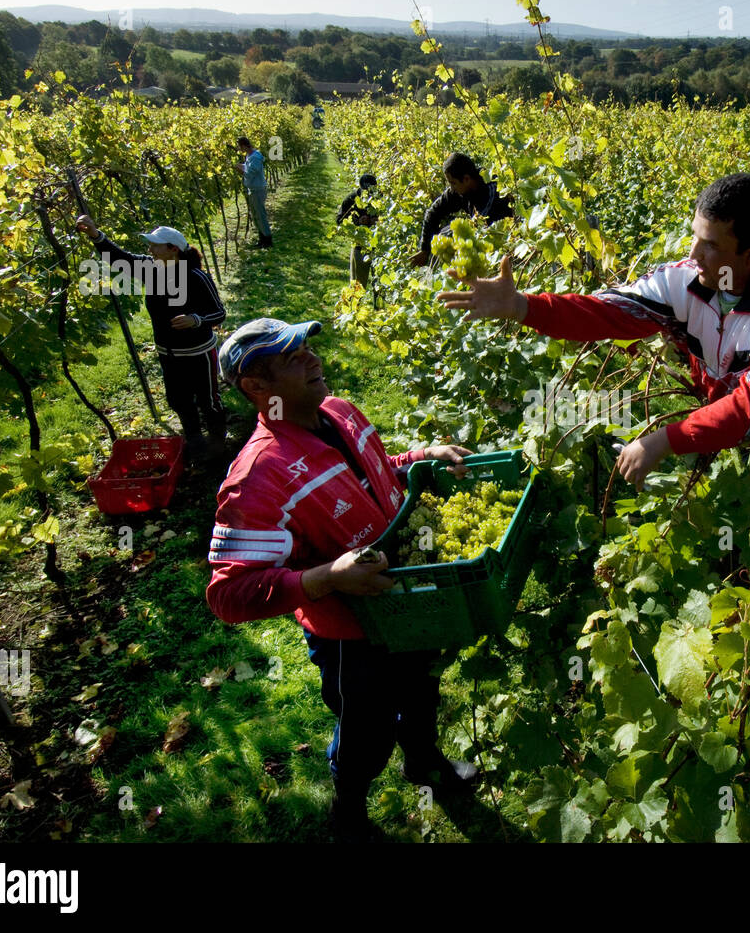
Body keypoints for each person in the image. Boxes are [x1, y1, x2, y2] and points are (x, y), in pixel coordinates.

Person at [205, 318, 477, 842]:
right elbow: (228, 595)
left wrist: (421, 458)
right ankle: (348, 809)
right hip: (354, 635)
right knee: (366, 728)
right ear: (256, 389)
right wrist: (327, 577)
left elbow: (371, 468)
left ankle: (423, 763)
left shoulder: (338, 411)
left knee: (422, 690)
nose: (314, 361)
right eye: (293, 358)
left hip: (408, 601)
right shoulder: (258, 479)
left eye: (308, 349)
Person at [438, 173, 750, 489]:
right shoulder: (689, 279)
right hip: (720, 417)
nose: (693, 256)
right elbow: (603, 314)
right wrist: (521, 306)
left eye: (710, 246)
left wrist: (664, 440)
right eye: (694, 238)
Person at [74, 216, 227, 458]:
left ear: (172, 249)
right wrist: (95, 234)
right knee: (179, 398)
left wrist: (195, 319)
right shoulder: (151, 270)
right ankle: (195, 438)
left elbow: (219, 312)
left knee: (208, 398)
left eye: (155, 245)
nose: (150, 250)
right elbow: (119, 258)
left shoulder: (196, 277)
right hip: (168, 352)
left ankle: (218, 437)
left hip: (198, 352)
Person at [410, 152, 513, 267]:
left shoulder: (495, 188)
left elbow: (488, 225)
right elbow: (433, 212)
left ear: (466, 179)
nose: (452, 188)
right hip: (482, 235)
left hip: (505, 242)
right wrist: (425, 249)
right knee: (446, 234)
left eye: (453, 183)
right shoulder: (459, 190)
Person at [336, 173, 379, 286]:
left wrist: (378, 221)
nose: (368, 194)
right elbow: (340, 221)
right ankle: (357, 303)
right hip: (359, 247)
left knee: (381, 286)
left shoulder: (381, 199)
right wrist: (357, 222)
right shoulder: (351, 200)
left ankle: (379, 304)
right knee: (357, 285)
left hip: (380, 248)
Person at [237, 137, 272, 248]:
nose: (239, 149)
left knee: (261, 215)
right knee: (256, 215)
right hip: (252, 190)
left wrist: (238, 169)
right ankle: (262, 239)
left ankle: (267, 240)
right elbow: (248, 167)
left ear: (244, 146)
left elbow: (249, 173)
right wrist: (240, 165)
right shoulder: (249, 156)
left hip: (257, 190)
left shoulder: (255, 157)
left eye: (239, 146)